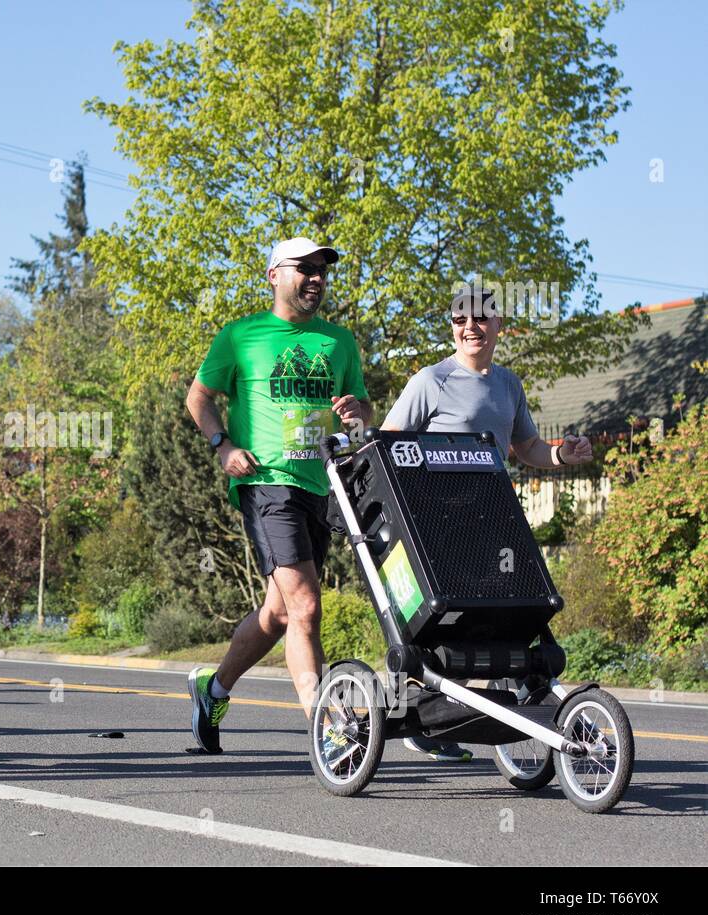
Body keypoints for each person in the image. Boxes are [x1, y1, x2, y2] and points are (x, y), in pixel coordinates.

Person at [381, 283, 593, 761]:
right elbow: (389, 445)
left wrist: (563, 455)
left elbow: (527, 449)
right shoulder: (429, 381)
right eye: (460, 320)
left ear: (499, 325)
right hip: (439, 520)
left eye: (480, 319)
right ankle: (423, 713)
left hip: (492, 516)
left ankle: (485, 698)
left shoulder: (508, 385)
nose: (469, 327)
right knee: (441, 614)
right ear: (452, 329)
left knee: (501, 610)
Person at [185, 237, 371, 757]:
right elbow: (198, 397)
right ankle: (330, 730)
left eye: (322, 271)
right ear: (273, 275)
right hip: (266, 482)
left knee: (281, 612)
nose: (315, 278)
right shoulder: (242, 336)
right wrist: (223, 445)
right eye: (304, 268)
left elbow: (359, 410)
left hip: (322, 485)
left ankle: (213, 689)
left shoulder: (339, 342)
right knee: (306, 605)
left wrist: (358, 415)